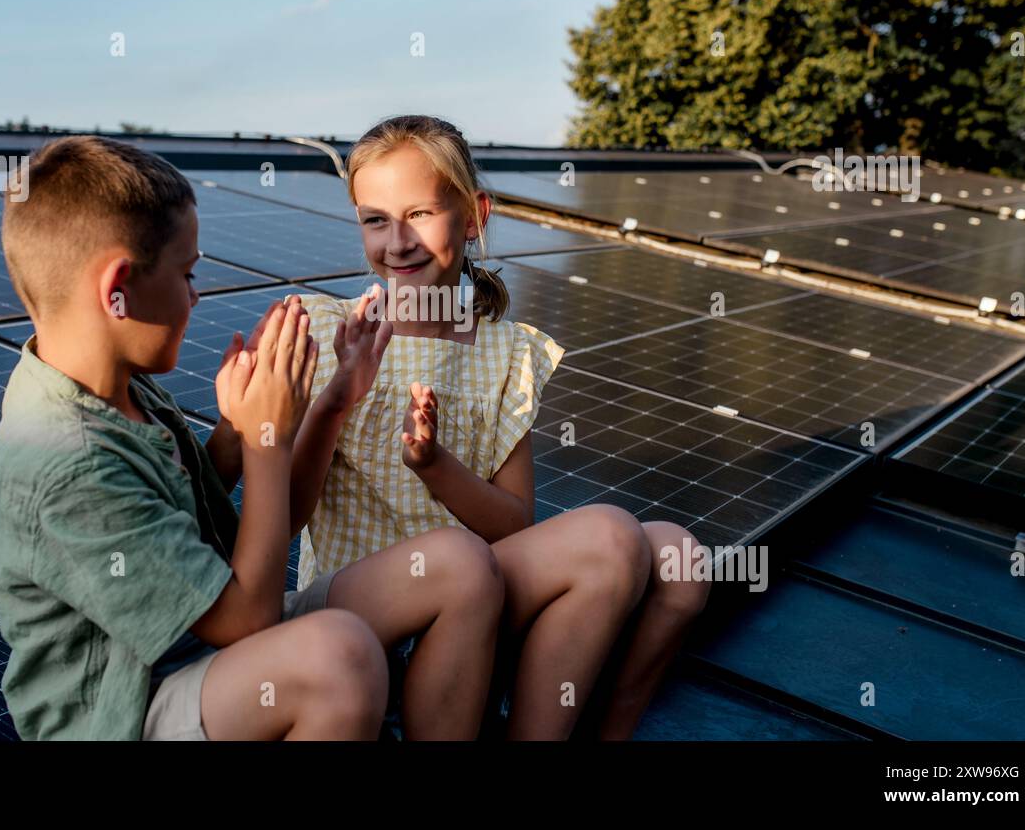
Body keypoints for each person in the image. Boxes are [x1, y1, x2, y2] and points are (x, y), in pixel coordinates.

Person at [0, 135, 503, 740]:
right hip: (129, 708)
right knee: (337, 658)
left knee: (455, 563)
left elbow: (190, 507)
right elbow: (247, 618)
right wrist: (266, 440)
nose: (197, 294)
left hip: (206, 659)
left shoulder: (118, 386)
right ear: (118, 287)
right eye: (186, 273)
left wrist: (236, 432)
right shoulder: (69, 466)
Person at [291, 115, 712, 740]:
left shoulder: (505, 352)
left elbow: (514, 524)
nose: (397, 241)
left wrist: (436, 466)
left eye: (421, 215)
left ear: (474, 216)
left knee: (679, 557)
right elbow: (285, 515)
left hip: (471, 601)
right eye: (375, 219)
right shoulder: (327, 330)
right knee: (605, 533)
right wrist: (334, 401)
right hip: (361, 610)